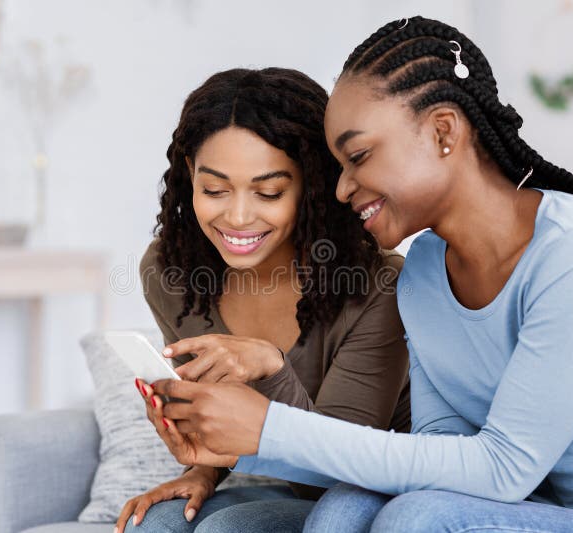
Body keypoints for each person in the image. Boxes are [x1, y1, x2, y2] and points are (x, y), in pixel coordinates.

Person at [145, 16, 573, 532]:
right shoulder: (425, 274)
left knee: (416, 518)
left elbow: (505, 469)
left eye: (360, 156)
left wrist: (269, 427)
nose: (342, 190)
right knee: (328, 513)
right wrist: (230, 444)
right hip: (533, 507)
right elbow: (438, 454)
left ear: (443, 131)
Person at [116, 67, 411, 533]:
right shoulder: (169, 273)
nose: (236, 217)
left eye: (269, 192)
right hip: (285, 483)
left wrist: (273, 369)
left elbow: (336, 474)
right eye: (213, 189)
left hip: (364, 493)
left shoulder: (377, 285)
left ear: (311, 187)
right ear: (190, 173)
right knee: (153, 526)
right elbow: (219, 418)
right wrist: (202, 468)